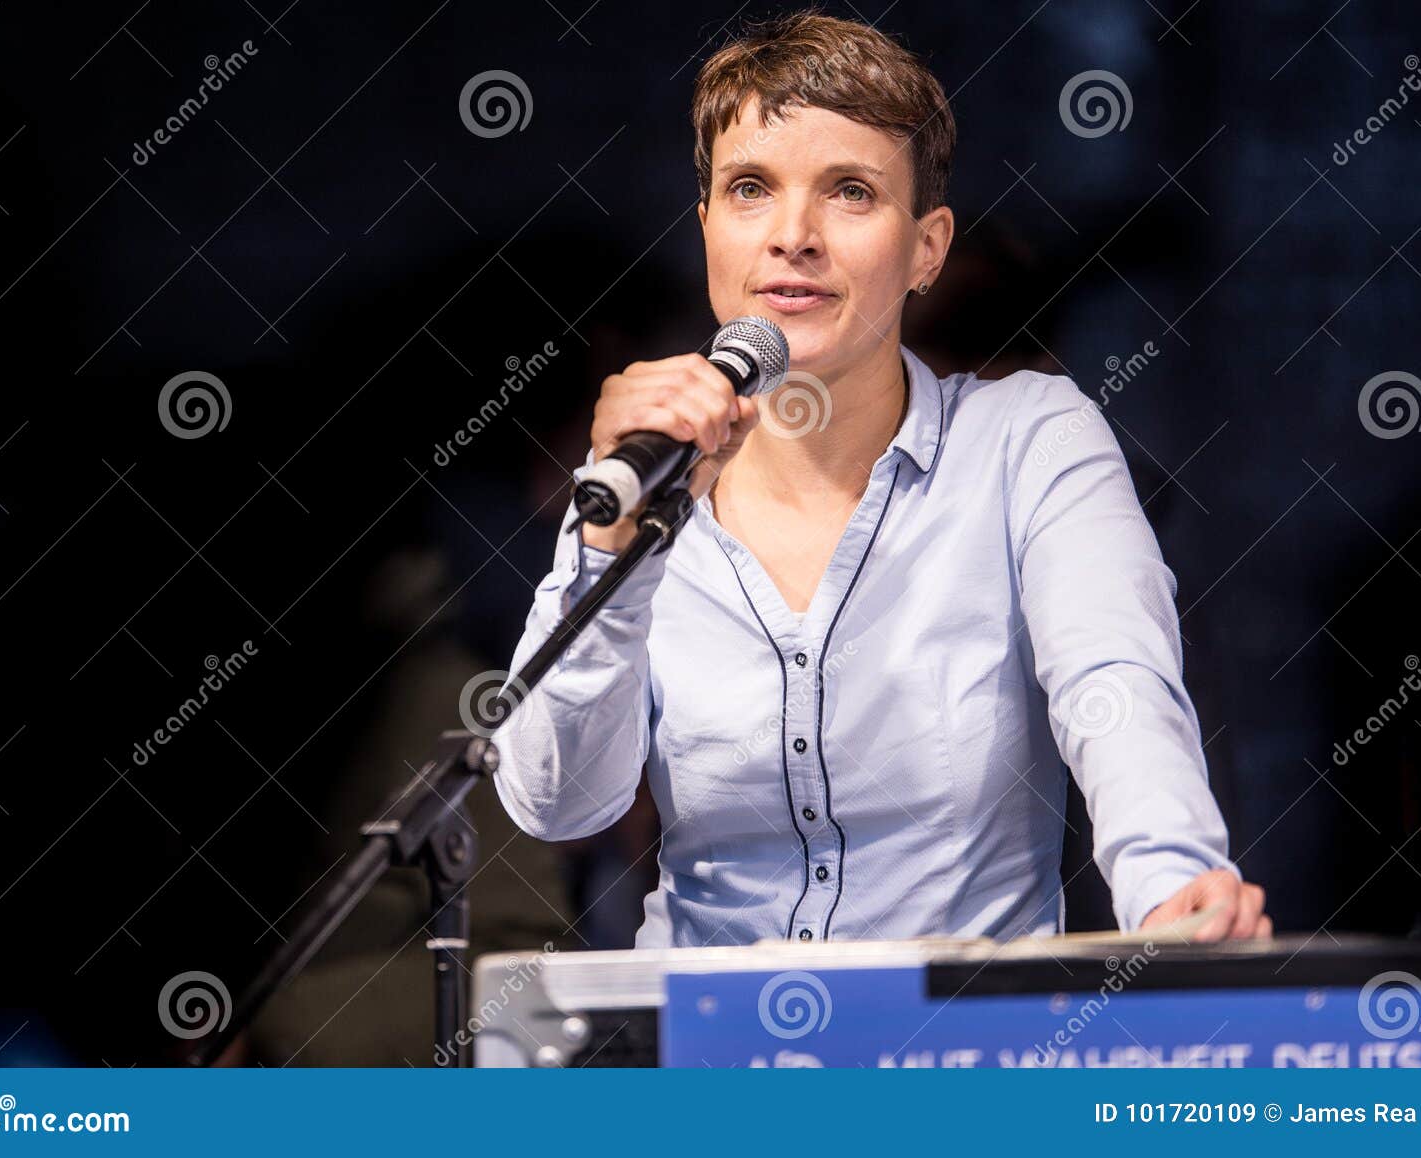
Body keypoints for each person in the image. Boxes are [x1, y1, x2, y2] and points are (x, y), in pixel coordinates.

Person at [492, 10, 1270, 948]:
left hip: (956, 1058)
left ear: (927, 248)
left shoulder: (1030, 442)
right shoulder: (645, 467)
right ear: (707, 231)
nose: (793, 235)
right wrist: (611, 558)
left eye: (850, 192)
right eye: (749, 189)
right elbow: (558, 805)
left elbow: (1115, 684)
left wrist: (1170, 883)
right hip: (703, 1055)